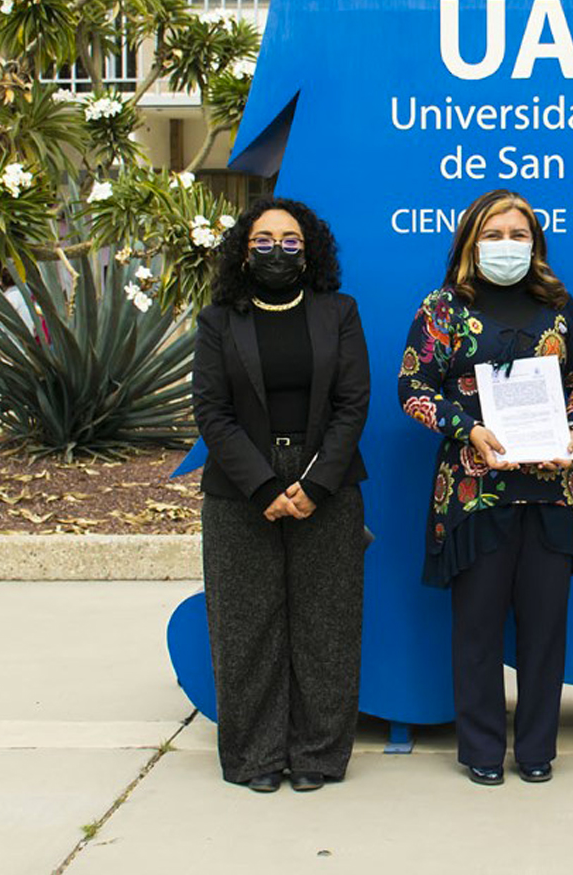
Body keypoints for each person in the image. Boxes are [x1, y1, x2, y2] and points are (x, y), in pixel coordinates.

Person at [398, 188, 573, 786]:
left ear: (535, 244)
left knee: (546, 631)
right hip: (474, 495)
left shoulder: (559, 306)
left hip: (550, 491)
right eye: (494, 235)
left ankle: (537, 748)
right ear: (470, 242)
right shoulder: (443, 309)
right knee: (477, 631)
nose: (506, 246)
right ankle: (483, 750)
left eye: (518, 236)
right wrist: (469, 430)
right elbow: (412, 388)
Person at [192, 196, 370, 794]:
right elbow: (212, 413)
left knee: (328, 626)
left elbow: (352, 405)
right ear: (244, 253)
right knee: (246, 628)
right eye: (263, 241)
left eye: (290, 241)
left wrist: (315, 484)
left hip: (328, 483)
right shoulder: (219, 321)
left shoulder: (338, 312)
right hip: (241, 488)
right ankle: (256, 758)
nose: (277, 251)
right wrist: (264, 485)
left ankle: (317, 755)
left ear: (310, 249)